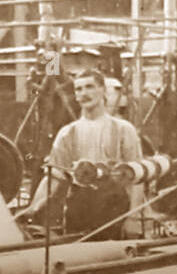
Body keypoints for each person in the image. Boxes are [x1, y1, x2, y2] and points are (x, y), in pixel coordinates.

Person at [17, 68, 141, 239]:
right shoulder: (68, 133)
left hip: (113, 207)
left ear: (103, 90)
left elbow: (137, 178)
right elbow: (54, 177)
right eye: (79, 89)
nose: (84, 93)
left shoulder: (123, 129)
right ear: (75, 95)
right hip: (78, 206)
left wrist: (133, 218)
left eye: (90, 87)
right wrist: (32, 208)